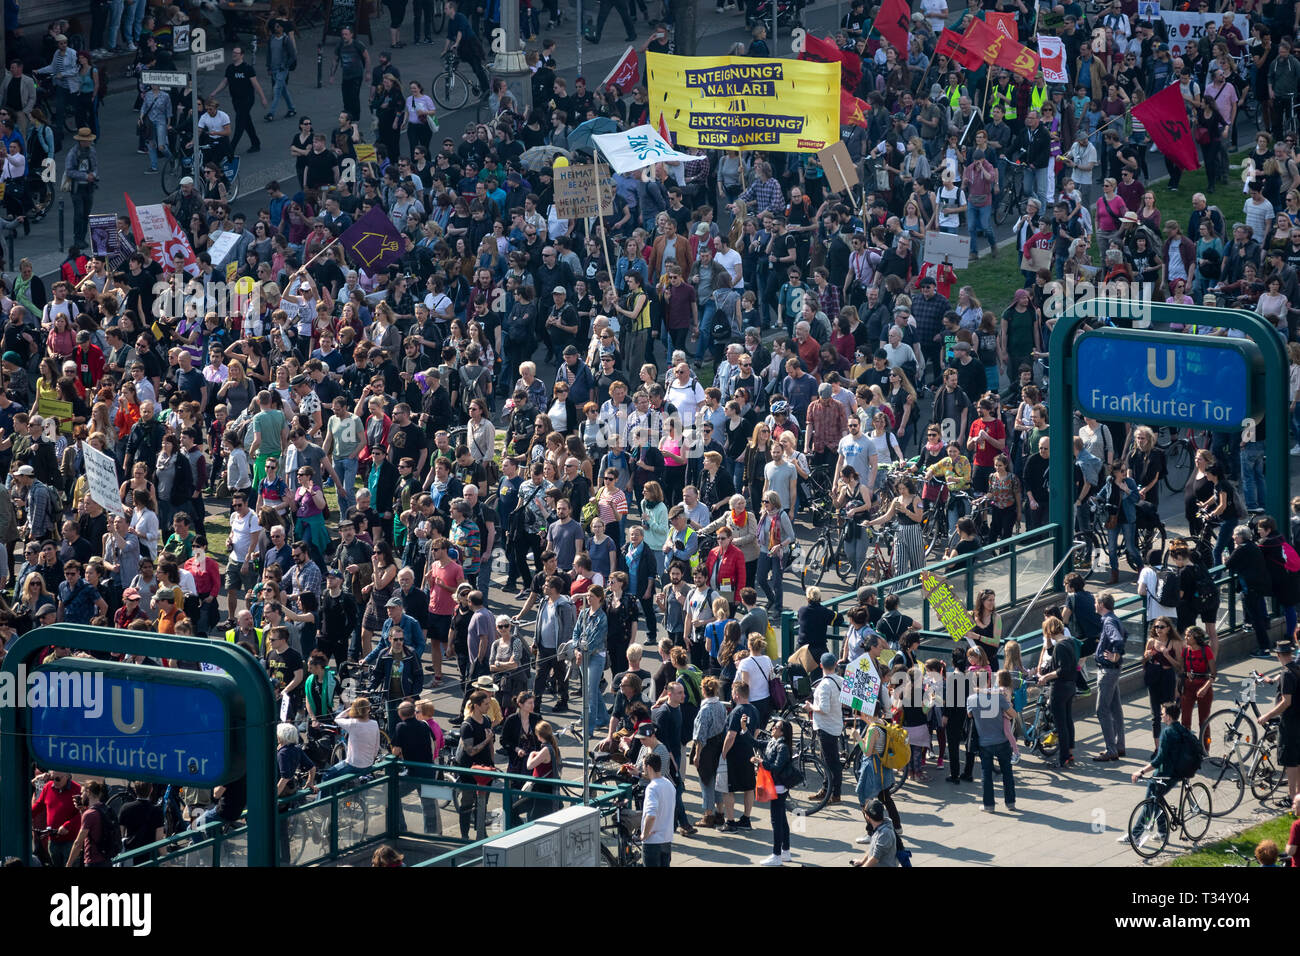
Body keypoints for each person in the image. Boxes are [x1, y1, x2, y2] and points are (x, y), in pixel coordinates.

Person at [1260, 640, 1299, 804]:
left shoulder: (1286, 674)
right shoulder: (1296, 669)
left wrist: (1267, 716)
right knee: (1298, 759)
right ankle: (1298, 795)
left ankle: (1291, 797)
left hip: (1289, 722)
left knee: (1290, 761)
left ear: (1278, 655)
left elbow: (1286, 701)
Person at [1036, 616, 1077, 769]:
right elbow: (1055, 654)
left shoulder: (1060, 646)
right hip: (1070, 686)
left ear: (1049, 630)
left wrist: (1046, 677)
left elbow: (1061, 669)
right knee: (1067, 720)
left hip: (1059, 688)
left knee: (1060, 725)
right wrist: (1047, 641)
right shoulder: (1068, 642)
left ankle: (1063, 758)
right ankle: (1069, 753)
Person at [755, 718, 798, 865]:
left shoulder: (783, 747)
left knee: (776, 822)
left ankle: (776, 855)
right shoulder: (773, 742)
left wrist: (761, 762)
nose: (773, 728)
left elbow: (776, 767)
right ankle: (785, 851)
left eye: (777, 727)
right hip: (777, 786)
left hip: (779, 788)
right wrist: (743, 729)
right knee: (782, 820)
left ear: (783, 732)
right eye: (774, 726)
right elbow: (755, 743)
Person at [805, 651, 844, 805]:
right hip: (836, 724)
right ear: (835, 665)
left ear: (821, 665)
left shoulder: (823, 686)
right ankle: (827, 790)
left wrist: (810, 707)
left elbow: (824, 708)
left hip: (826, 727)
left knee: (830, 762)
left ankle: (834, 795)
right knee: (829, 760)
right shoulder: (840, 681)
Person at [1092, 591, 1127, 762]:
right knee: (1115, 708)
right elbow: (1124, 635)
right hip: (1113, 670)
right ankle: (1119, 745)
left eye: (1096, 602)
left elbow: (1118, 640)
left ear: (1101, 605)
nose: (1094, 605)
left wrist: (1116, 654)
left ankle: (1111, 749)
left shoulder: (1108, 622)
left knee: (1102, 710)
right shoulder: (1113, 619)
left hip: (1107, 671)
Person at [640, 751, 675, 867]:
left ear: (649, 767)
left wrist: (644, 835)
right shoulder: (669, 785)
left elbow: (651, 815)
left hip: (653, 842)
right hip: (667, 839)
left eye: (643, 766)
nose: (643, 769)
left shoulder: (652, 788)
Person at [851, 798, 898, 867]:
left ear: (867, 816)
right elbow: (872, 849)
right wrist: (862, 861)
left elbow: (875, 859)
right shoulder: (878, 827)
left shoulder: (884, 833)